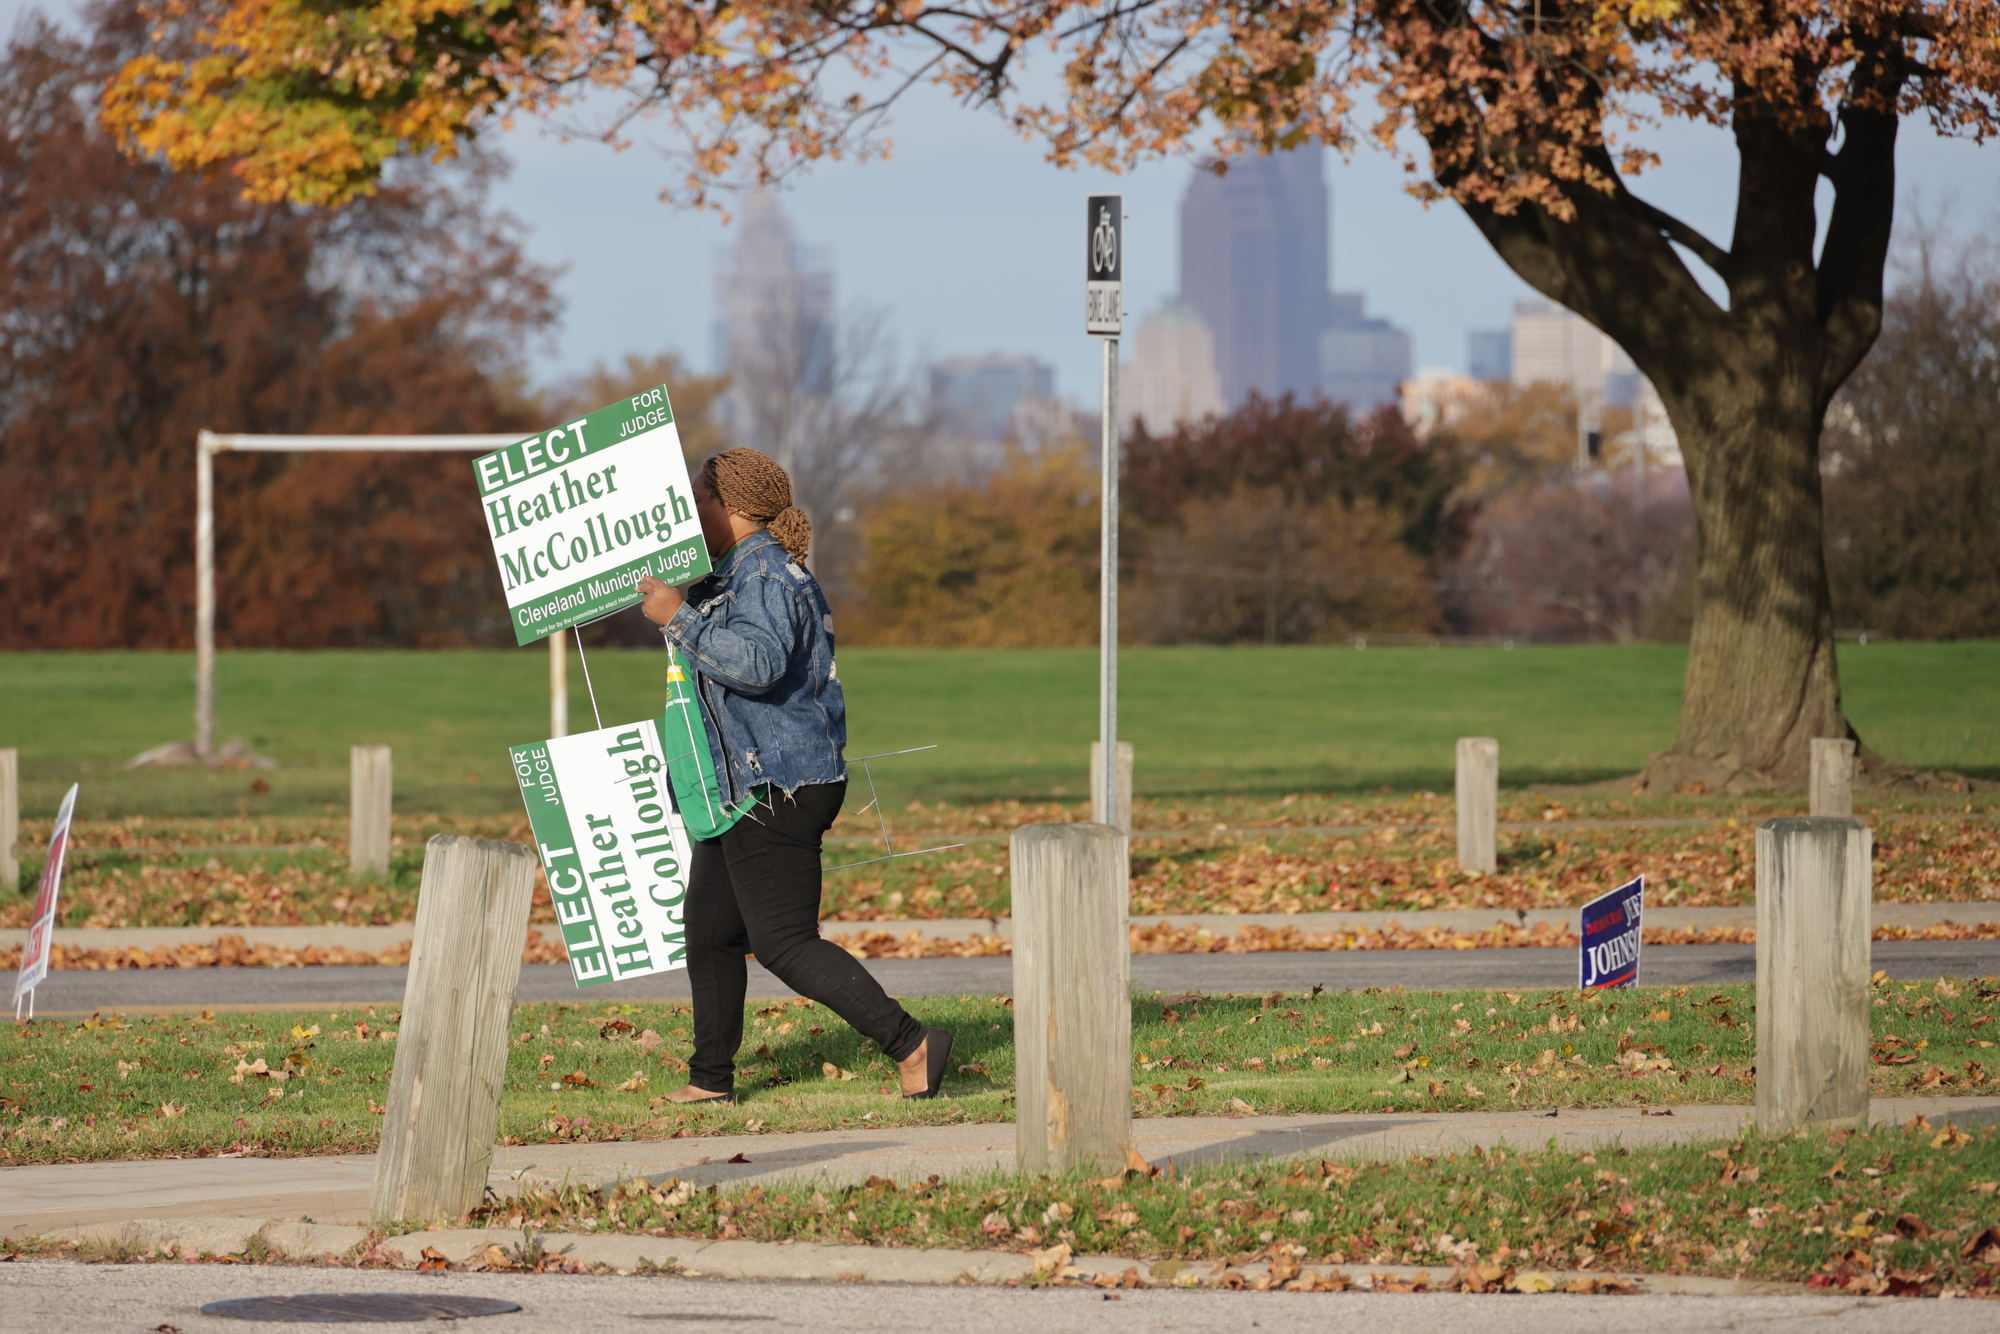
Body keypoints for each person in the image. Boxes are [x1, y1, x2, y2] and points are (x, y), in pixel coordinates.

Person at [635, 448, 953, 1104]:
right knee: (710, 930)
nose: (689, 513)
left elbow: (756, 666)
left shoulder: (769, 575)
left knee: (783, 942)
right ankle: (711, 1081)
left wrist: (680, 620)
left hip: (779, 784)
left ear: (733, 507)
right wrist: (681, 606)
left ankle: (913, 1044)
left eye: (699, 500)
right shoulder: (730, 576)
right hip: (742, 785)